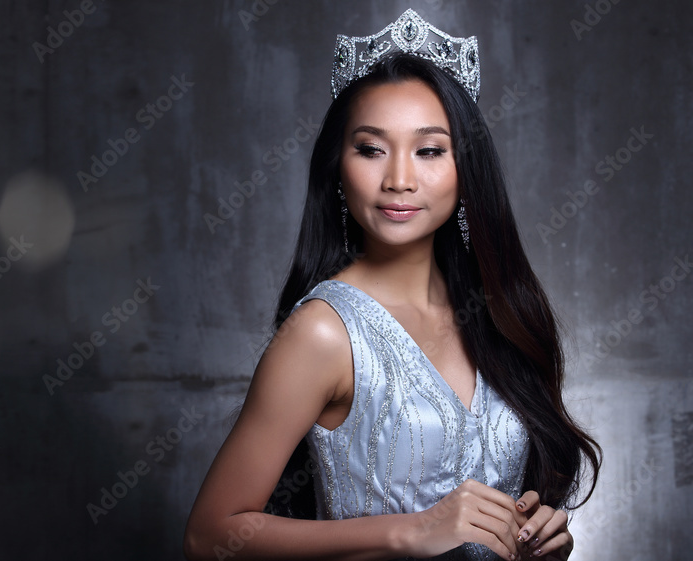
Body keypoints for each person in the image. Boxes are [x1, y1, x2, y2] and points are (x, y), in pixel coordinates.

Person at [184, 10, 600, 561]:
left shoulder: (497, 315)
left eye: (429, 150)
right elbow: (209, 535)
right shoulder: (324, 332)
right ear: (338, 166)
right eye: (371, 149)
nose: (399, 178)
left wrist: (536, 536)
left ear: (465, 166)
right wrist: (410, 531)